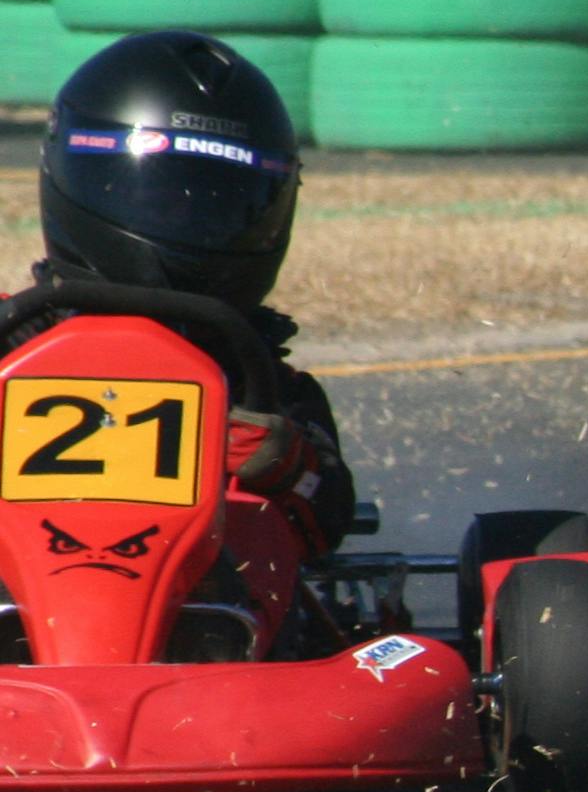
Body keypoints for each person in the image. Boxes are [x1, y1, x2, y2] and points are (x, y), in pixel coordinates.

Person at [0, 32, 355, 563]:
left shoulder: (259, 382)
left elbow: (330, 515)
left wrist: (284, 465)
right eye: (161, 199)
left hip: (204, 596)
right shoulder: (14, 340)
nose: (192, 220)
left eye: (223, 204)